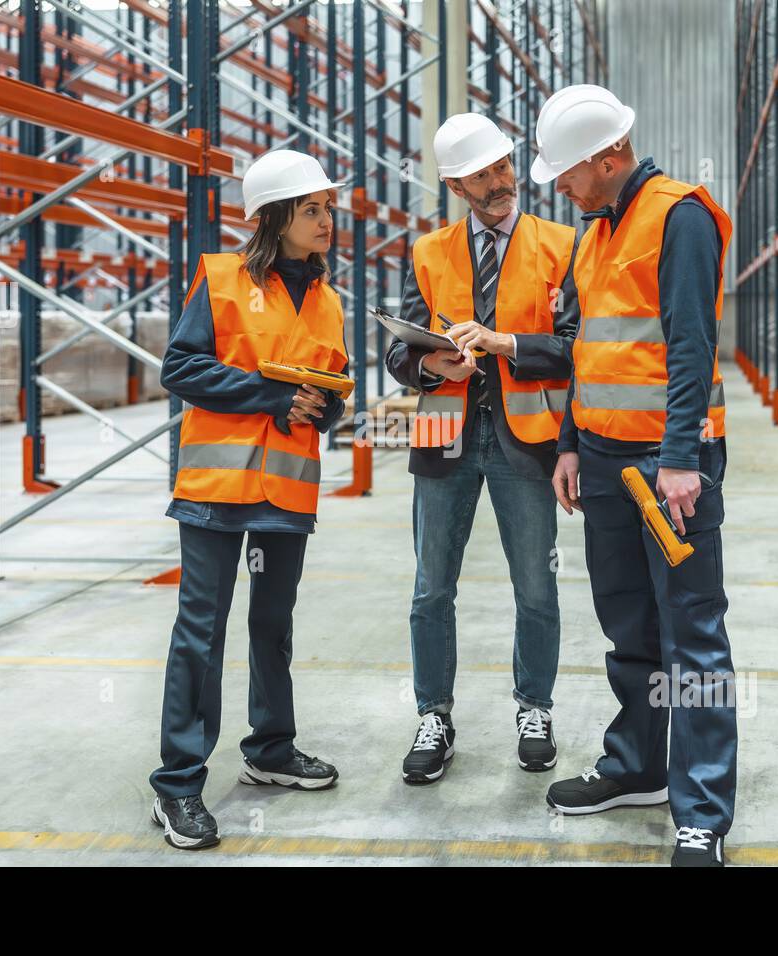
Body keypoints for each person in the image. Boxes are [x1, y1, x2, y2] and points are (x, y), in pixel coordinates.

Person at [530, 86, 737, 867]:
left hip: (663, 467)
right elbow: (588, 349)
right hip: (609, 462)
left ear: (609, 158)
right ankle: (639, 766)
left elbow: (691, 347)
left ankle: (703, 812)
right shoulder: (594, 231)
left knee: (694, 638)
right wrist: (572, 443)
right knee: (630, 627)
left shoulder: (678, 217)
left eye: (569, 172)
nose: (560, 185)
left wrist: (682, 459)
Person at [149, 149, 349, 850]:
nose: (328, 221)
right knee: (200, 633)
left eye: (328, 209)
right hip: (217, 487)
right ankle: (177, 785)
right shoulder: (222, 278)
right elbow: (181, 366)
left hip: (286, 491)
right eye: (312, 210)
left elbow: (331, 394)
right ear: (274, 219)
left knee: (273, 623)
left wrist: (321, 409)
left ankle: (269, 749)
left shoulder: (327, 300)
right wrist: (273, 397)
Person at [385, 113, 580, 784]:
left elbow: (580, 345)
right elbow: (397, 353)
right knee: (431, 590)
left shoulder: (563, 246)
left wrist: (507, 346)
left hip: (528, 442)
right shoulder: (427, 251)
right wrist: (434, 368)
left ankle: (535, 708)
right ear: (456, 184)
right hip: (446, 440)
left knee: (536, 587)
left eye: (504, 167)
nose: (501, 182)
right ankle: (433, 715)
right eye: (483, 175)